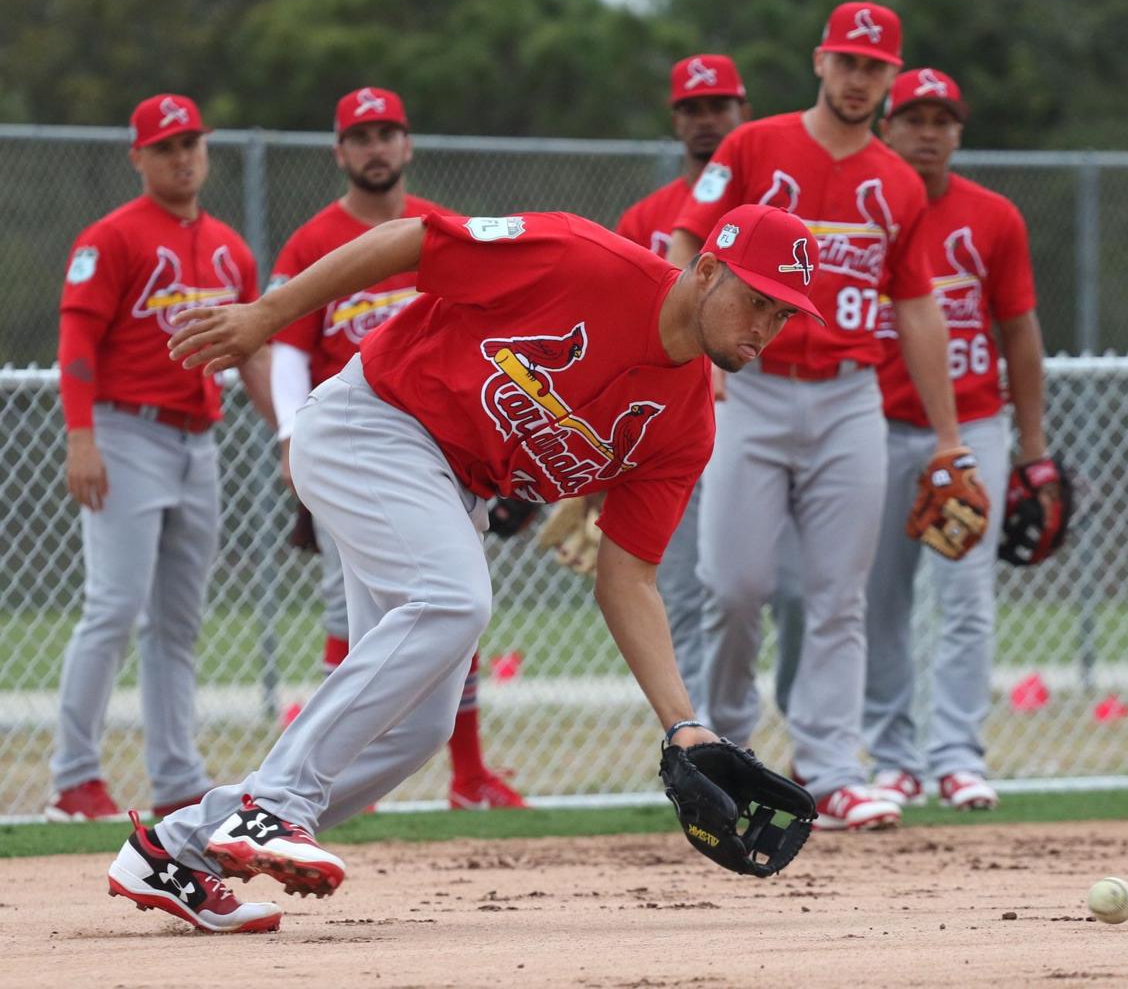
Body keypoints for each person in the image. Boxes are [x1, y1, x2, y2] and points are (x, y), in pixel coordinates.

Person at [105, 201, 825, 933]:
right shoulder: (582, 258)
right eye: (756, 301)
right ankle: (274, 808)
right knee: (453, 598)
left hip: (448, 490)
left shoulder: (686, 425)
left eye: (783, 315)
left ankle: (176, 850)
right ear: (706, 270)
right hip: (373, 419)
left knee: (417, 728)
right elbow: (410, 239)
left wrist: (683, 725)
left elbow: (627, 578)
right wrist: (269, 314)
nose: (764, 329)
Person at [667, 2, 973, 831]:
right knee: (734, 586)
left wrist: (948, 437)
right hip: (752, 387)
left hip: (849, 396)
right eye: (847, 61)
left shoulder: (900, 181)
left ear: (890, 75)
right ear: (820, 62)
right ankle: (717, 751)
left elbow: (916, 310)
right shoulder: (752, 145)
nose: (858, 78)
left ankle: (833, 765)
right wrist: (692, 361)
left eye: (875, 66)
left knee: (840, 594)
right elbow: (684, 243)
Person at [269, 86, 524, 810]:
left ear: (407, 145)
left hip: (442, 450)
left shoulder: (443, 229)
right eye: (362, 135)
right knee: (356, 619)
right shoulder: (313, 240)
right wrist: (290, 434)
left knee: (453, 607)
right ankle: (335, 773)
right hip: (356, 446)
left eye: (388, 133)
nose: (376, 146)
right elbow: (288, 348)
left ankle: (467, 775)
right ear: (340, 152)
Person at [50, 94, 273, 822]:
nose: (184, 157)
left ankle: (177, 776)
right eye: (167, 146)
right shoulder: (112, 237)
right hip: (125, 431)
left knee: (178, 620)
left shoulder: (230, 249)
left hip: (197, 440)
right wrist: (81, 436)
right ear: (139, 156)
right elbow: (77, 340)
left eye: (193, 144)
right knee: (113, 607)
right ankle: (75, 776)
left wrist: (288, 436)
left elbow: (254, 353)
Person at [861, 68, 1046, 811]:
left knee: (965, 594)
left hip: (970, 425)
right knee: (878, 598)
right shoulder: (865, 208)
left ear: (959, 133)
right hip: (870, 423)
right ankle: (895, 757)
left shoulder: (993, 217)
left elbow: (1020, 333)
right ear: (885, 127)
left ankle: (958, 755)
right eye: (914, 119)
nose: (929, 134)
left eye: (943, 121)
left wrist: (1033, 448)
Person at [615, 54, 806, 712]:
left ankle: (792, 729)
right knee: (687, 592)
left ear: (741, 113)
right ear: (676, 121)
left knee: (791, 588)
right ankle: (701, 743)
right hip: (669, 426)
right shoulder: (647, 219)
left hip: (751, 414)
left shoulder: (770, 216)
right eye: (693, 109)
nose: (706, 120)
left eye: (719, 107)